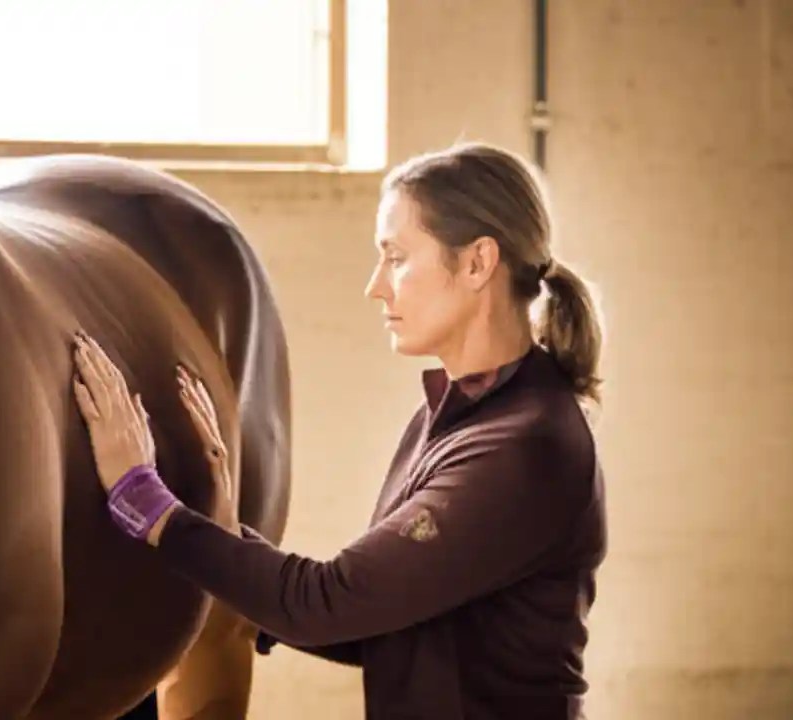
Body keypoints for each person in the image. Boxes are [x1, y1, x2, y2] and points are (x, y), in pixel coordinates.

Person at [72, 141, 608, 719]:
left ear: (478, 262)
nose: (376, 285)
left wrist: (145, 501)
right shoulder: (454, 417)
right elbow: (373, 624)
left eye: (396, 256)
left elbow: (326, 602)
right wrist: (224, 540)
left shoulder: (523, 446)